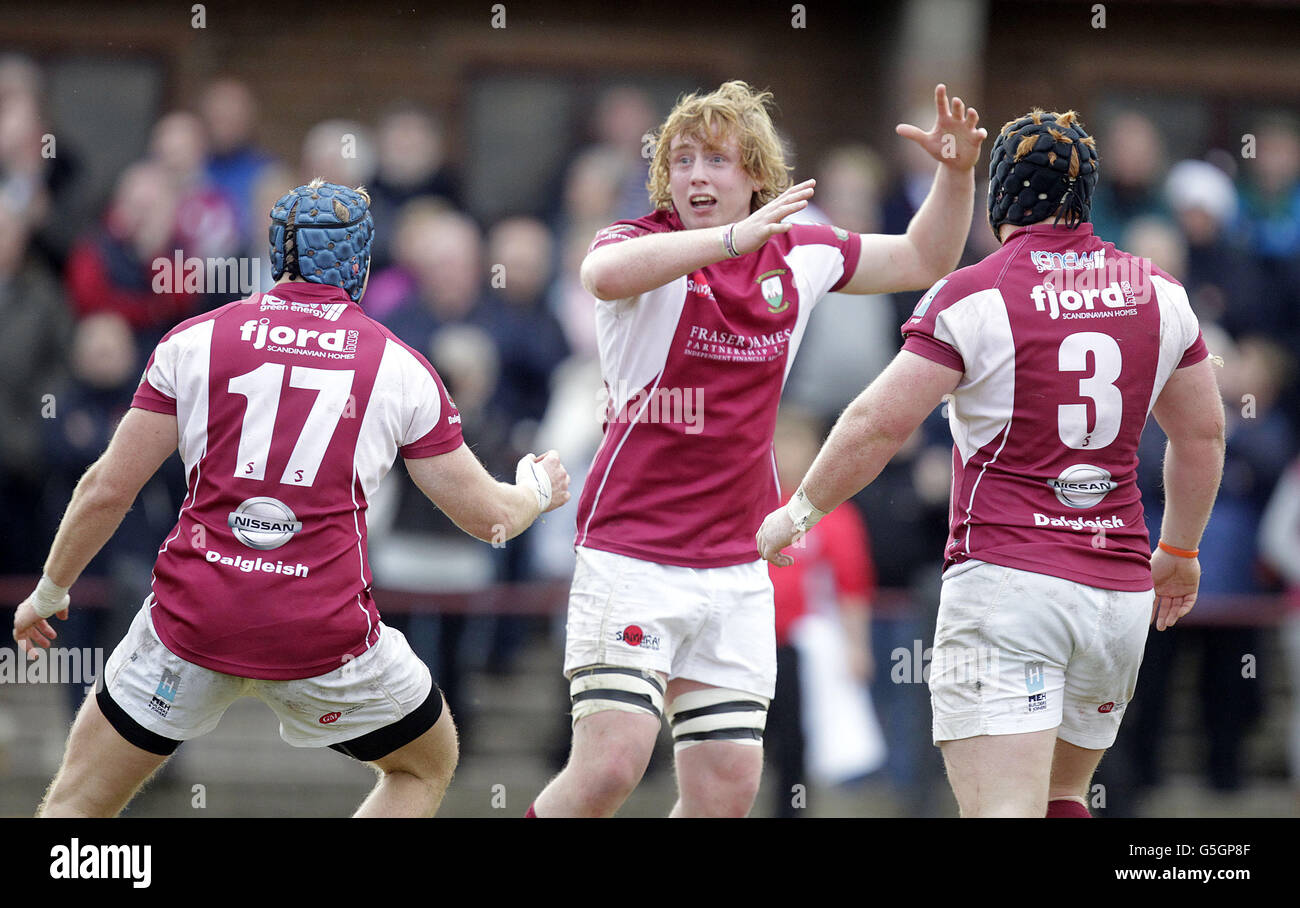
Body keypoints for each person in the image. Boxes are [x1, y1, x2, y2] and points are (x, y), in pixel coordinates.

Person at [12, 178, 570, 818]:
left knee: (76, 805)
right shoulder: (400, 367)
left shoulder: (194, 340)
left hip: (192, 621)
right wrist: (534, 489)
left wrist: (50, 590)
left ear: (276, 254)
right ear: (360, 264)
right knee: (425, 764)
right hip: (322, 633)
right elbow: (488, 519)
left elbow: (106, 488)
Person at [527, 80, 986, 818]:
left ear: (757, 178)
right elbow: (599, 276)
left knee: (728, 788)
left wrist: (955, 174)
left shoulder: (801, 252)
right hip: (631, 555)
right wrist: (734, 238)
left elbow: (924, 257)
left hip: (735, 569)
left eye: (717, 159)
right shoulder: (638, 244)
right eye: (681, 161)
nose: (696, 176)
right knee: (611, 767)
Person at [757, 108, 1226, 818]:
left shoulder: (976, 292)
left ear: (1001, 193)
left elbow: (878, 423)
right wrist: (1182, 549)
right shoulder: (1160, 293)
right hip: (1117, 591)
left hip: (1011, 582)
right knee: (1063, 797)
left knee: (1004, 810)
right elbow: (1203, 436)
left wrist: (801, 509)